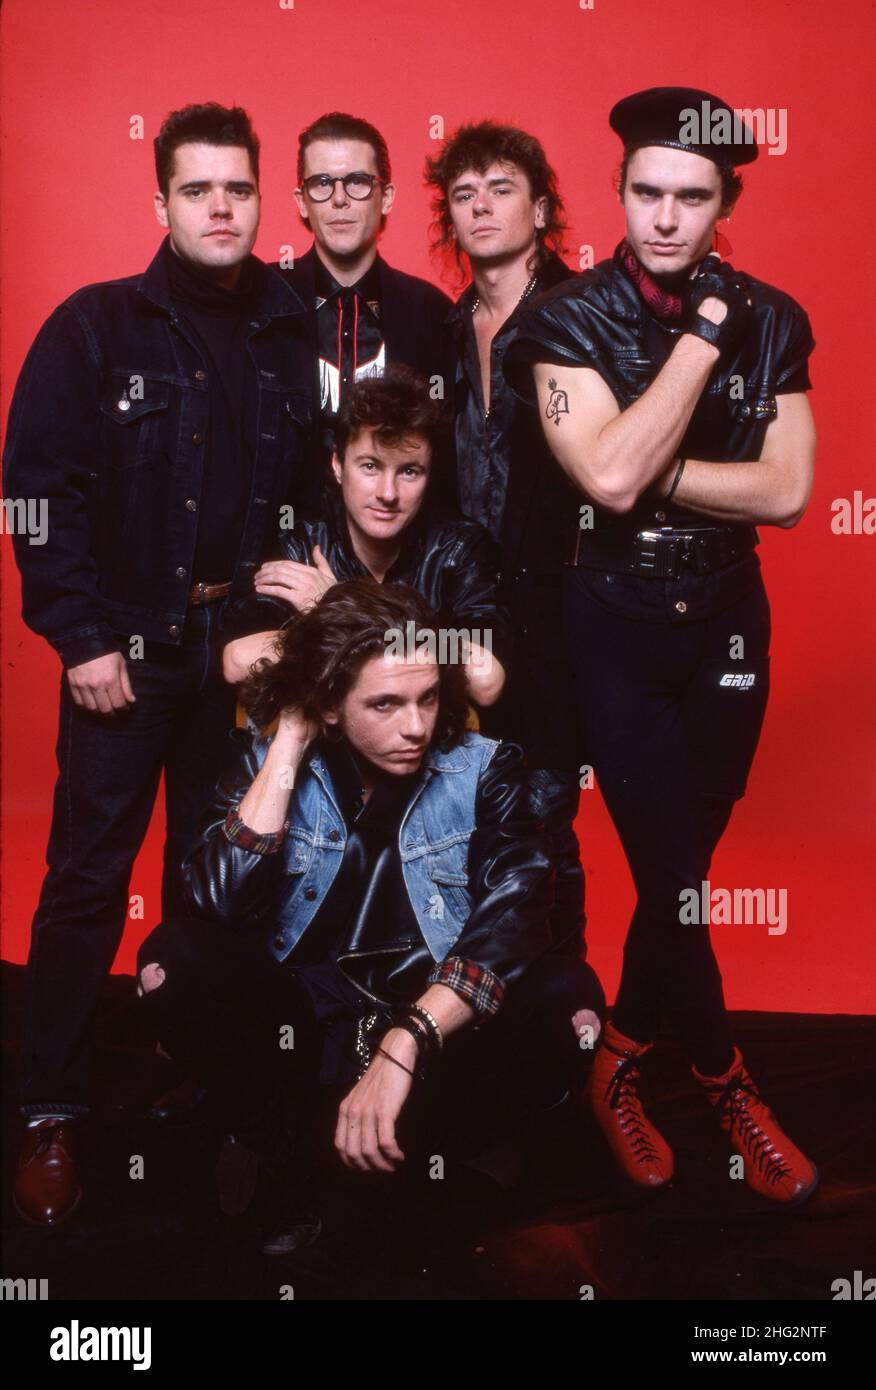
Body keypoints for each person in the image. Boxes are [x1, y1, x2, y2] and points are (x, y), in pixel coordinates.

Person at [505, 86, 818, 1204]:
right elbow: (607, 478)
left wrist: (662, 479)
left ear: (723, 201)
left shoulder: (778, 313)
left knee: (677, 876)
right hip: (614, 622)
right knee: (672, 873)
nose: (667, 218)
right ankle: (726, 1078)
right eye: (647, 192)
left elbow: (787, 491)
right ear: (619, 192)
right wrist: (703, 336)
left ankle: (620, 1053)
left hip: (731, 621)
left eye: (692, 196)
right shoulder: (564, 321)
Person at [4, 102, 315, 1226]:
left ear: (258, 199)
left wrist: (294, 607)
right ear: (163, 204)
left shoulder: (292, 328)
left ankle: (205, 1085)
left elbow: (321, 492)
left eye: (239, 188)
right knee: (87, 881)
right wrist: (80, 635)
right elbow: (36, 489)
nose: (222, 207)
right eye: (198, 190)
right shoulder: (95, 326)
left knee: (212, 893)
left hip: (236, 652)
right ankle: (48, 1111)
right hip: (121, 652)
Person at [136, 581, 605, 1254]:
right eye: (384, 704)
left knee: (573, 1002)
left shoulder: (487, 771)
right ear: (329, 702)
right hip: (305, 1037)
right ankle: (288, 1147)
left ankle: (440, 1152)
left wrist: (407, 1039)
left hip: (433, 1038)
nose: (415, 726)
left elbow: (519, 917)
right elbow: (216, 906)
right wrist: (291, 741)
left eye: (427, 698)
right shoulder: (269, 763)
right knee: (166, 965)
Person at [424, 121, 585, 946]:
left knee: (547, 835)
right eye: (463, 194)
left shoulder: (586, 316)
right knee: (469, 830)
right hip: (470, 620)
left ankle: (570, 1031)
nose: (481, 206)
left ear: (543, 206)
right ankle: (483, 1034)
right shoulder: (446, 332)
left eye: (501, 188)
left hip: (566, 620)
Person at [223, 365, 509, 713]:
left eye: (409, 471)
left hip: (428, 752)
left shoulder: (458, 548)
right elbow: (238, 660)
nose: (388, 493)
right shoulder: (303, 543)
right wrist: (407, 639)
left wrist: (334, 606)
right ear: (338, 466)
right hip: (323, 753)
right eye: (370, 466)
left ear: (430, 475)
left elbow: (486, 679)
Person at [275, 111, 456, 487]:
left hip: (400, 538)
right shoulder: (262, 300)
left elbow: (447, 457)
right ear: (301, 200)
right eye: (322, 183)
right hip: (284, 538)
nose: (339, 199)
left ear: (386, 197)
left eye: (357, 181)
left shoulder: (432, 313)